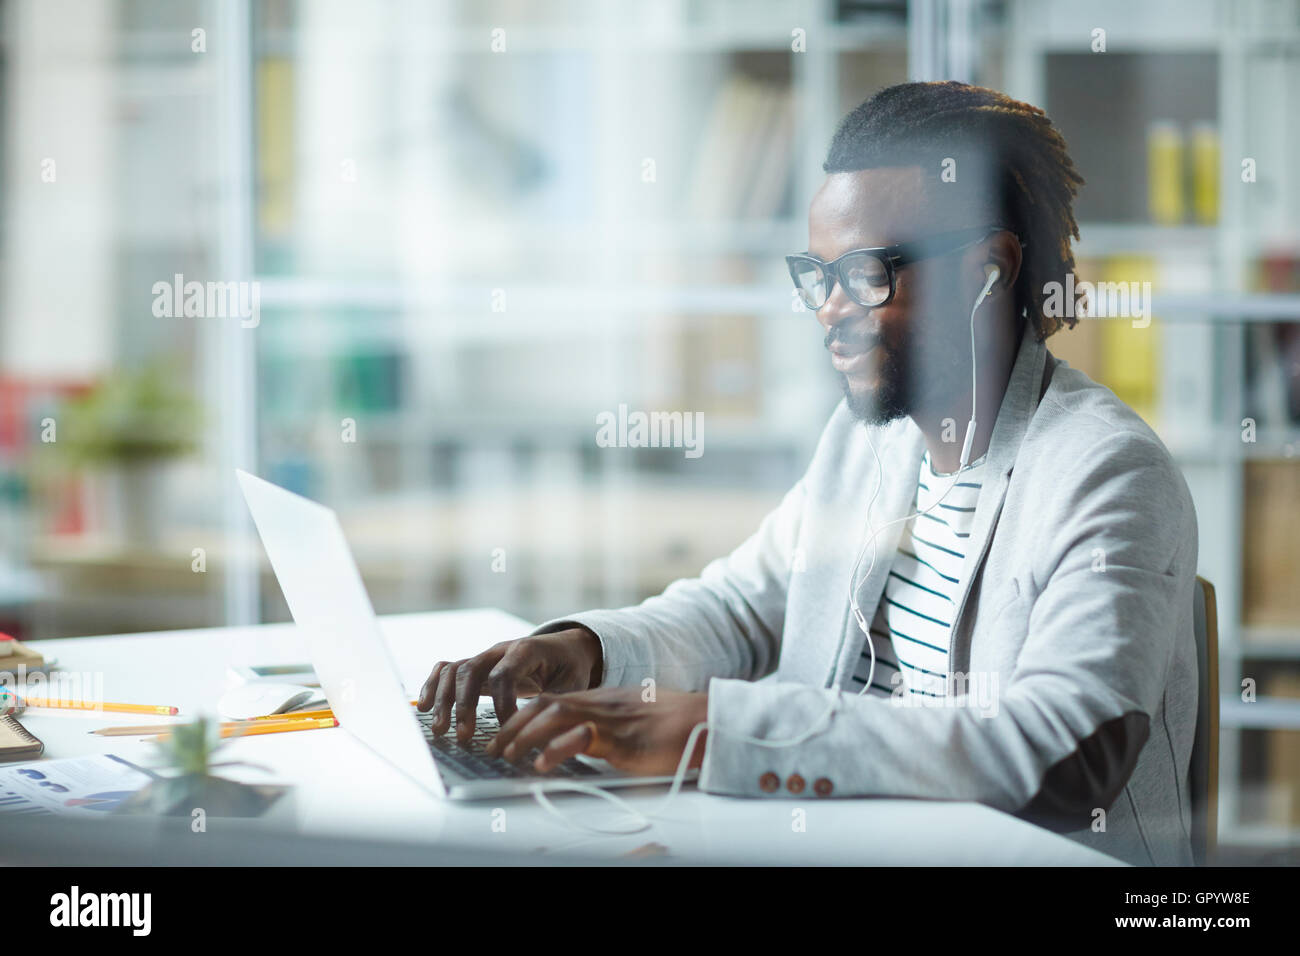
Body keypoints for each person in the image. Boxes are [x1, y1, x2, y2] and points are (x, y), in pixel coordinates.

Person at [418, 81, 1199, 866]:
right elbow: (741, 610)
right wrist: (587, 650)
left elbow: (1069, 754)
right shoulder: (869, 444)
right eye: (815, 275)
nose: (829, 307)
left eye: (865, 274)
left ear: (989, 271)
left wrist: (711, 730)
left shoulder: (1105, 471)